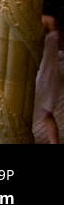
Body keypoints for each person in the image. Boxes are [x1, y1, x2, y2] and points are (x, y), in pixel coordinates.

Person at [35, 12, 61, 144]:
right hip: (51, 72)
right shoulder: (52, 24)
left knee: (43, 112)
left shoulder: (42, 21)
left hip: (42, 73)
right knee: (47, 114)